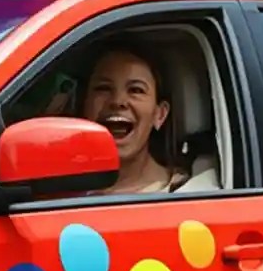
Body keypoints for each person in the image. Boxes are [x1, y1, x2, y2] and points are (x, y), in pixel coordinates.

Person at [77, 38, 190, 194]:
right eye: (103, 88)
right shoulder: (55, 195)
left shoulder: (189, 194)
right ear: (84, 104)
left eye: (136, 90)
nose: (117, 101)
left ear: (160, 115)